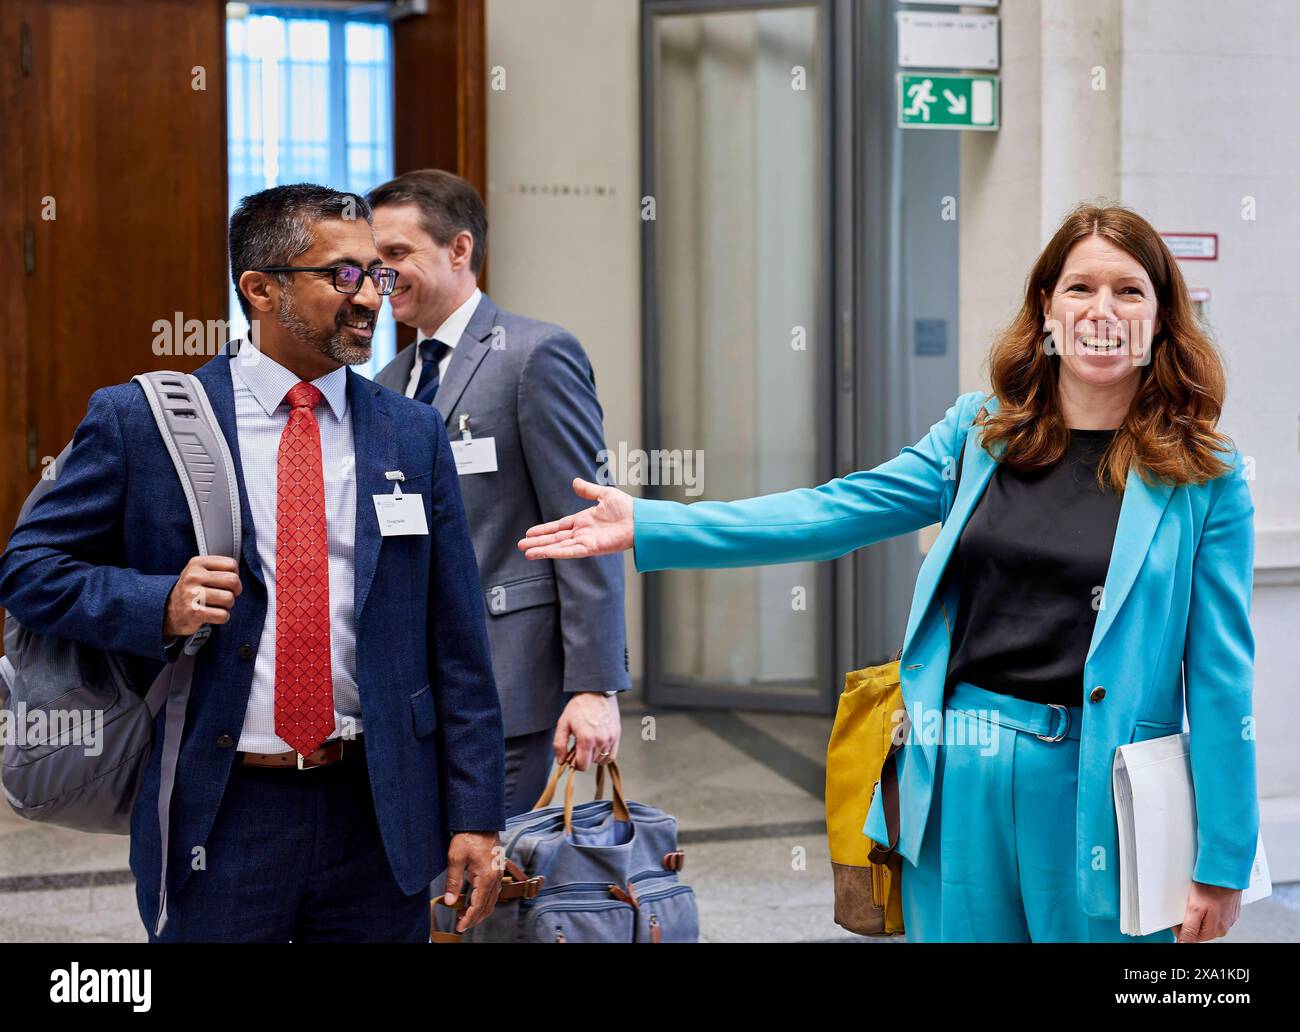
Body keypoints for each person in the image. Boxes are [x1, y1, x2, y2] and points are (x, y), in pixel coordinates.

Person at [517, 202, 1259, 943]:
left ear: (1161, 318)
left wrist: (1223, 859)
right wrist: (652, 523)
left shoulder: (1202, 475)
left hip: (1103, 790)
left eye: (1129, 291)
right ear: (1045, 308)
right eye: (1080, 289)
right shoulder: (980, 434)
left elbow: (1224, 681)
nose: (1104, 311)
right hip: (958, 771)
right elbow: (834, 511)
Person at [0, 183, 507, 942]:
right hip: (221, 808)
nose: (370, 295)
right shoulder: (145, 421)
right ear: (261, 289)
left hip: (376, 811)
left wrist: (476, 817)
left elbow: (457, 640)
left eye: (378, 274)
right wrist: (156, 602)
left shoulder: (411, 433)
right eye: (343, 275)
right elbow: (28, 569)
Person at [368, 169, 630, 818]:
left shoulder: (533, 356)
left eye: (397, 255)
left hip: (510, 684)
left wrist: (595, 687)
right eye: (373, 262)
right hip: (414, 690)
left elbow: (584, 523)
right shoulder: (390, 379)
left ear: (460, 250)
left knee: (497, 885)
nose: (382, 276)